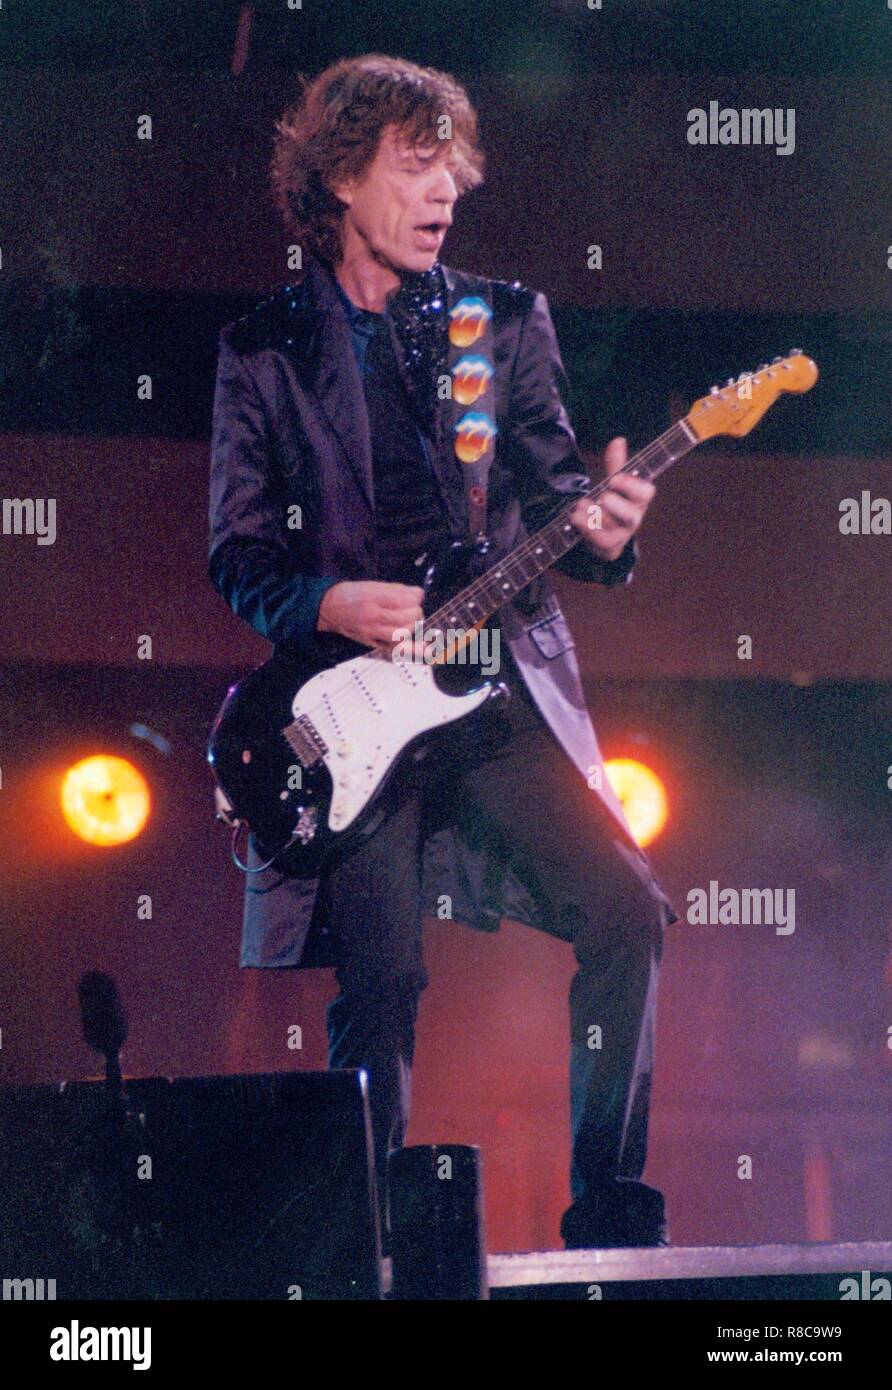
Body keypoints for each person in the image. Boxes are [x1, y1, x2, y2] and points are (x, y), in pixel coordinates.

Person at [209, 53, 678, 1249]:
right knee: (381, 985)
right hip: (353, 715)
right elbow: (239, 556)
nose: (443, 197)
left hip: (491, 688)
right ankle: (371, 1238)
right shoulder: (263, 348)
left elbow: (564, 497)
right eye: (417, 169)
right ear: (339, 177)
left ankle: (609, 1212)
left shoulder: (503, 321)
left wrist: (609, 532)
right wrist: (330, 603)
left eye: (455, 177)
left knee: (627, 911)